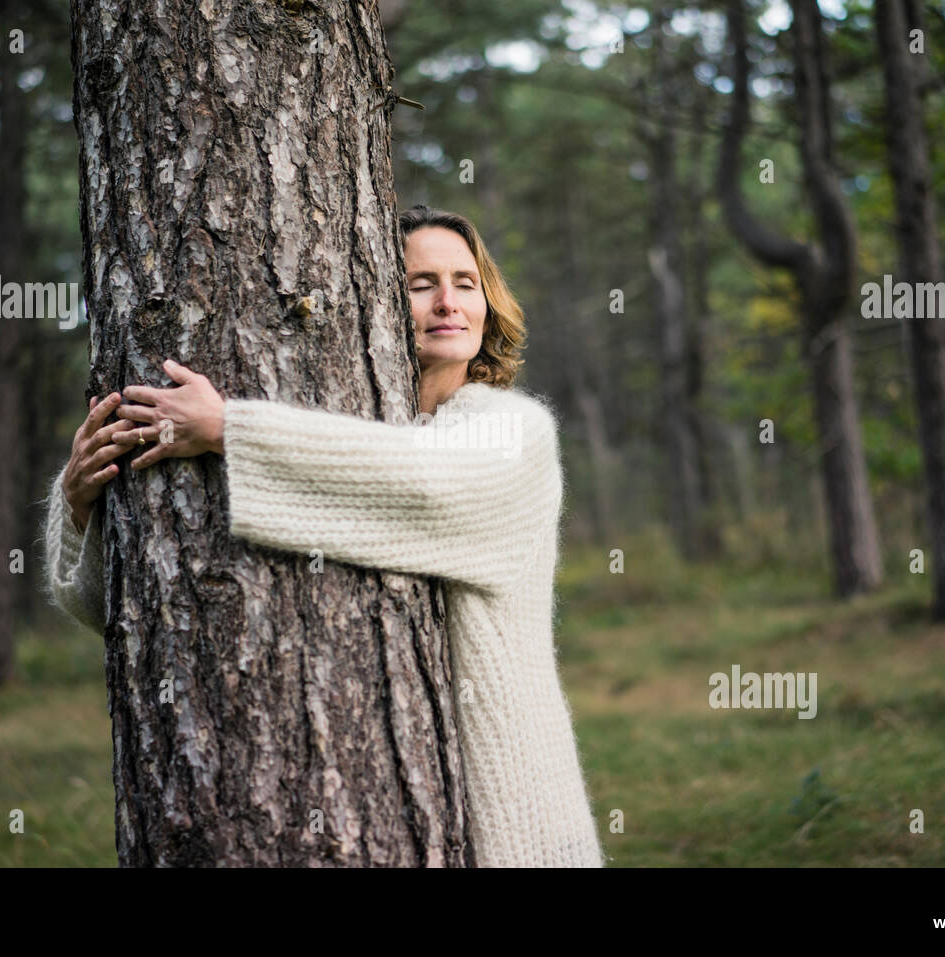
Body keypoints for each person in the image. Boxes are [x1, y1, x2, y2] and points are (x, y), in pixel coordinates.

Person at [44, 203, 605, 867]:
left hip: (519, 818)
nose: (449, 302)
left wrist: (230, 430)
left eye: (466, 282)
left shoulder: (513, 429)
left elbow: (429, 484)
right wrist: (80, 500)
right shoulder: (345, 429)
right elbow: (114, 606)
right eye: (421, 283)